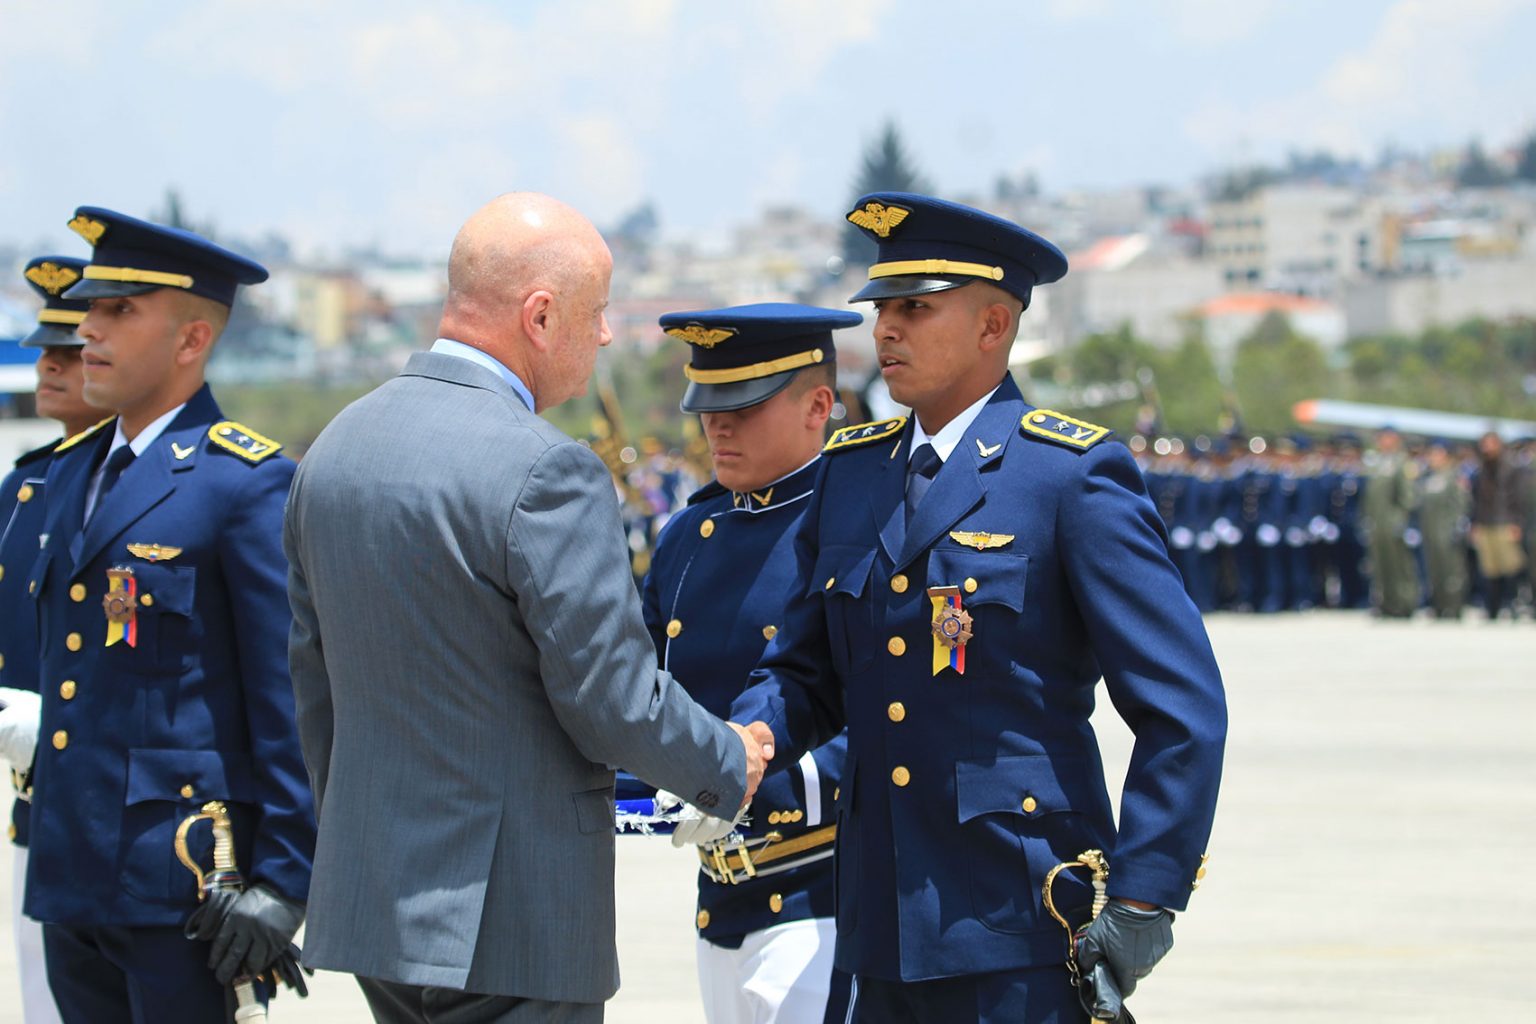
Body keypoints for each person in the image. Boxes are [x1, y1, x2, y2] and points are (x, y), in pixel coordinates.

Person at [724, 192, 1227, 1023]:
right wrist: (754, 735)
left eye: (915, 309)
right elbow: (807, 669)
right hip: (877, 924)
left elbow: (1184, 709)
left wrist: (1144, 899)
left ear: (994, 326)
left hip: (1018, 927)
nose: (884, 330)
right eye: (882, 308)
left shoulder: (1069, 478)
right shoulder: (852, 473)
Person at [283, 192, 773, 1024]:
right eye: (599, 312)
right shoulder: (547, 471)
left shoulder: (336, 449)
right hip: (511, 918)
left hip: (378, 908)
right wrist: (727, 760)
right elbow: (612, 699)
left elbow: (316, 687)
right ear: (541, 316)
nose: (608, 334)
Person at [22, 208, 316, 1024]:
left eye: (120, 311)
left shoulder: (243, 483)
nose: (89, 330)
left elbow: (287, 695)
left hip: (185, 887)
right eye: (92, 308)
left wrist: (285, 882)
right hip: (72, 873)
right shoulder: (69, 474)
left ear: (191, 340)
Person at [640, 303, 856, 1024]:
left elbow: (892, 702)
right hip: (717, 892)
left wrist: (765, 781)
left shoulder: (860, 525)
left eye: (745, 406)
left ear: (817, 406)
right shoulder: (687, 537)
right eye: (709, 406)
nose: (717, 426)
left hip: (821, 888)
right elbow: (642, 691)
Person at [0, 255, 107, 1024]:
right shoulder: (26, 485)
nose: (50, 366)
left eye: (70, 351)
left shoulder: (143, 486)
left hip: (131, 808)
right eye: (46, 349)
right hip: (36, 799)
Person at [1469, 431, 1527, 620]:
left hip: (1504, 521)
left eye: (1491, 444)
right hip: (1486, 522)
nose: (1487, 448)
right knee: (1489, 569)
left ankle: (1512, 604)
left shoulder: (1510, 468)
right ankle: (1492, 607)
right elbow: (1476, 500)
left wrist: (1516, 522)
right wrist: (1475, 523)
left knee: (1510, 567)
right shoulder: (1481, 469)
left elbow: (1517, 498)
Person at [1362, 427, 1420, 618]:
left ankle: (1405, 603)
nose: (1384, 442)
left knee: (1399, 565)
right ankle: (1386, 603)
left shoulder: (1402, 463)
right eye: (1381, 438)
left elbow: (1407, 495)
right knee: (1380, 564)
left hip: (1393, 520)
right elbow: (1368, 496)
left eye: (1388, 438)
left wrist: (1404, 519)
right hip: (1377, 522)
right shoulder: (1375, 463)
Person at [1417, 441, 1469, 619]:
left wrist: (1458, 526)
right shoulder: (1427, 478)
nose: (1433, 458)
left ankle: (1453, 607)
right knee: (1434, 570)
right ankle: (1438, 606)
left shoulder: (1454, 476)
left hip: (1447, 531)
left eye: (1437, 454)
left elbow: (1461, 503)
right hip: (1430, 531)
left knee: (1451, 572)